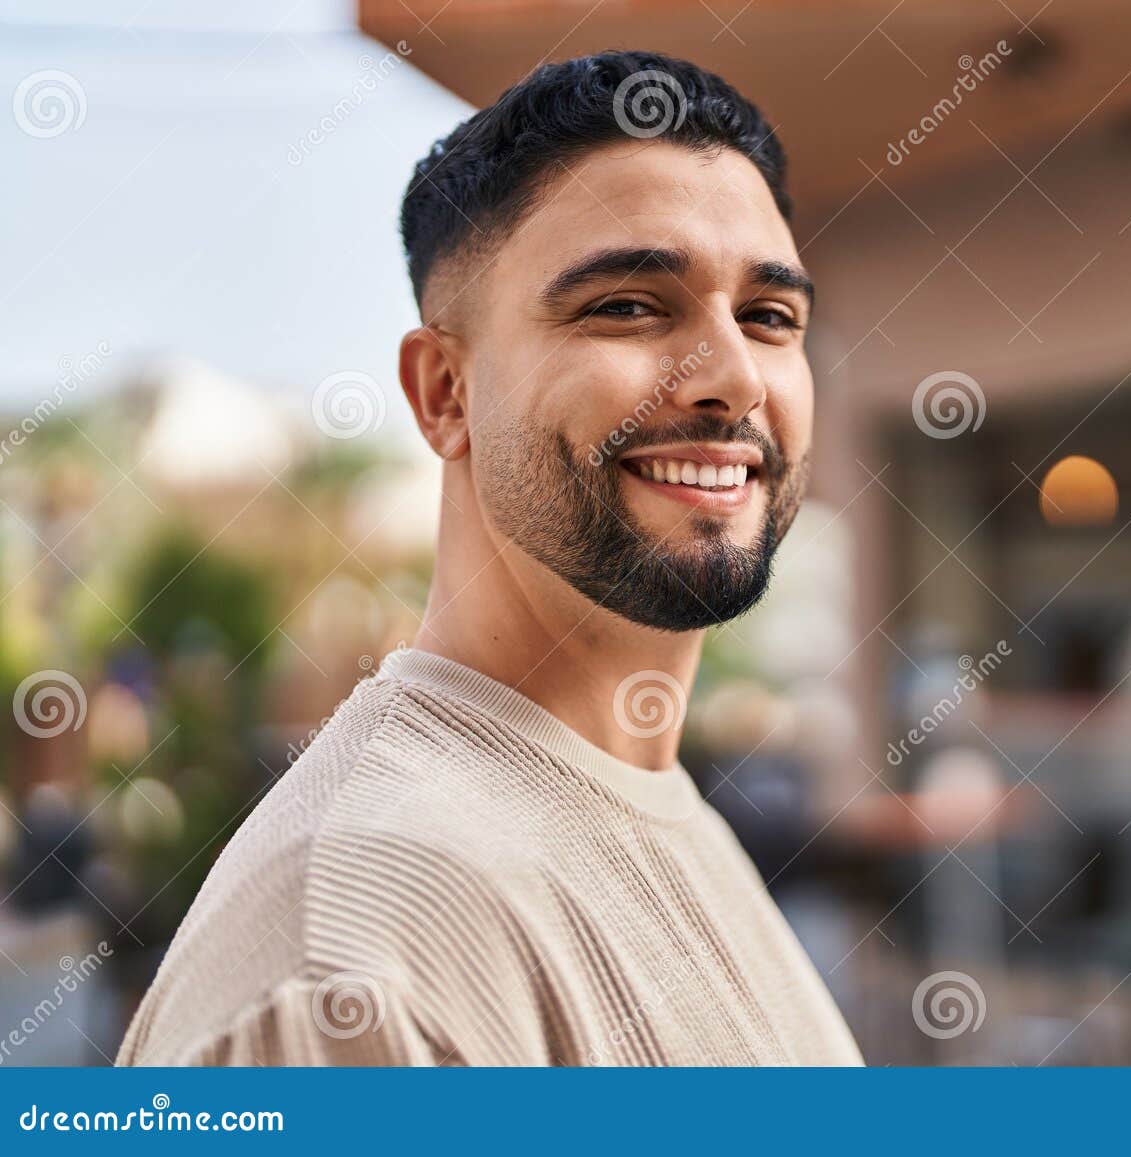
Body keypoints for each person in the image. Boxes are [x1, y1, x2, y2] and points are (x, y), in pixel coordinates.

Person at [116, 50, 861, 1066]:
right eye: (627, 305)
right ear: (444, 393)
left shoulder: (661, 807)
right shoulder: (347, 961)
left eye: (769, 317)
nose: (733, 376)